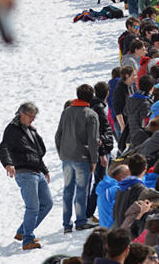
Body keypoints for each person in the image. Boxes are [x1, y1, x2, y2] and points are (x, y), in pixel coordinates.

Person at [0, 102, 51, 250]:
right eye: (31, 116)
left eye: (34, 117)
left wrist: (45, 170)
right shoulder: (12, 129)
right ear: (22, 114)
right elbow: (4, 147)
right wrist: (8, 163)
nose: (33, 119)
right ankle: (28, 240)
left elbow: (37, 153)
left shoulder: (31, 130)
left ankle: (23, 231)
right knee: (33, 207)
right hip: (24, 173)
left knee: (47, 203)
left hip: (37, 172)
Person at [57, 84, 101, 233]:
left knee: (67, 190)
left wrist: (61, 153)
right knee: (82, 190)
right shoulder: (91, 114)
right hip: (82, 158)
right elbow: (93, 140)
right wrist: (94, 160)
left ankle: (66, 223)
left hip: (67, 157)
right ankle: (81, 221)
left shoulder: (67, 112)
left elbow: (58, 135)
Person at [88, 81, 115, 224]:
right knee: (100, 182)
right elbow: (99, 132)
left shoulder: (95, 106)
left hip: (103, 149)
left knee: (100, 181)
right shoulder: (98, 108)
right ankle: (90, 211)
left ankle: (90, 211)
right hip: (102, 151)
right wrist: (103, 152)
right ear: (107, 93)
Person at [111, 154, 147, 231]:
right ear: (145, 168)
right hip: (128, 231)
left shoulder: (122, 185)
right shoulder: (140, 188)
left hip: (118, 227)